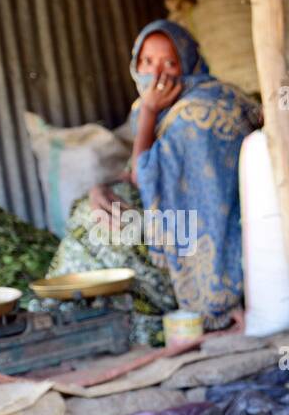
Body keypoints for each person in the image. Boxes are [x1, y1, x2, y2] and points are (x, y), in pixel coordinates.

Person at [85, 20, 261, 331]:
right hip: (183, 227)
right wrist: (98, 189)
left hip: (230, 235)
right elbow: (136, 171)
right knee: (96, 216)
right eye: (147, 61)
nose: (157, 74)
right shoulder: (145, 109)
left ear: (188, 63)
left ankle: (210, 301)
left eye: (170, 62)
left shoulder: (202, 108)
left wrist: (151, 113)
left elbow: (145, 175)